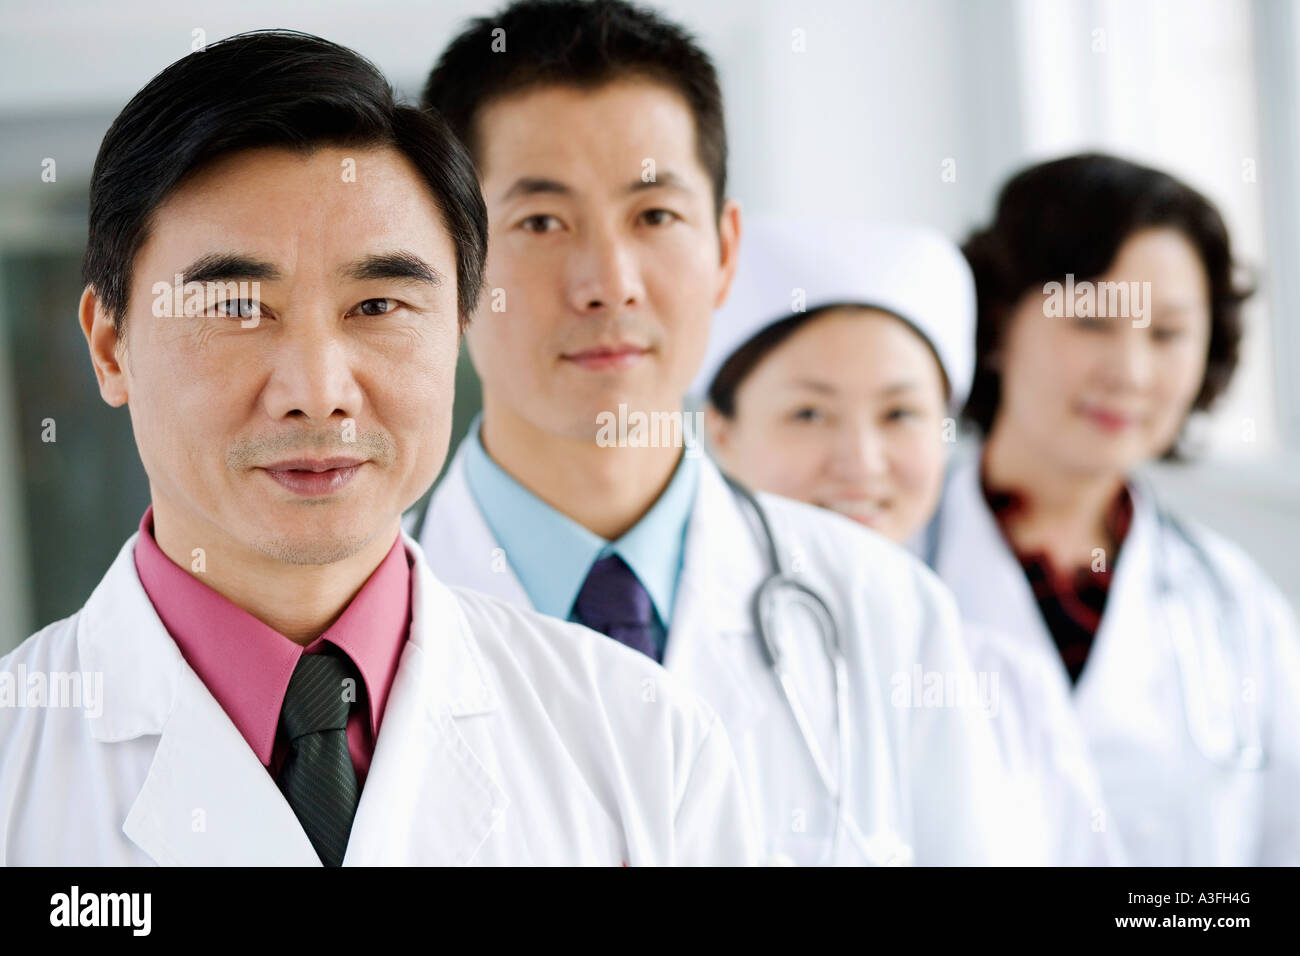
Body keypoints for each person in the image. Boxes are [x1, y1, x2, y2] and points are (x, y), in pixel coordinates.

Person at [0, 30, 758, 867]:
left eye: (378, 307)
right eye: (239, 309)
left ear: (460, 330)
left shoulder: (644, 745)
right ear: (111, 347)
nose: (317, 389)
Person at [413, 0, 1018, 865]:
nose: (607, 282)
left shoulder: (884, 611)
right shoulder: (359, 635)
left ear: (725, 250)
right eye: (541, 222)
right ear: (448, 260)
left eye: (654, 215)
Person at [695, 216, 1122, 865]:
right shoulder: (668, 662)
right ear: (720, 433)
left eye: (900, 414)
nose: (861, 461)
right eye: (809, 413)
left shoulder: (1010, 686)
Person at [932, 152, 1300, 865]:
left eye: (1166, 335)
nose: (1130, 372)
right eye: (1092, 322)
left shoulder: (1237, 607)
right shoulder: (894, 565)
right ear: (1000, 322)